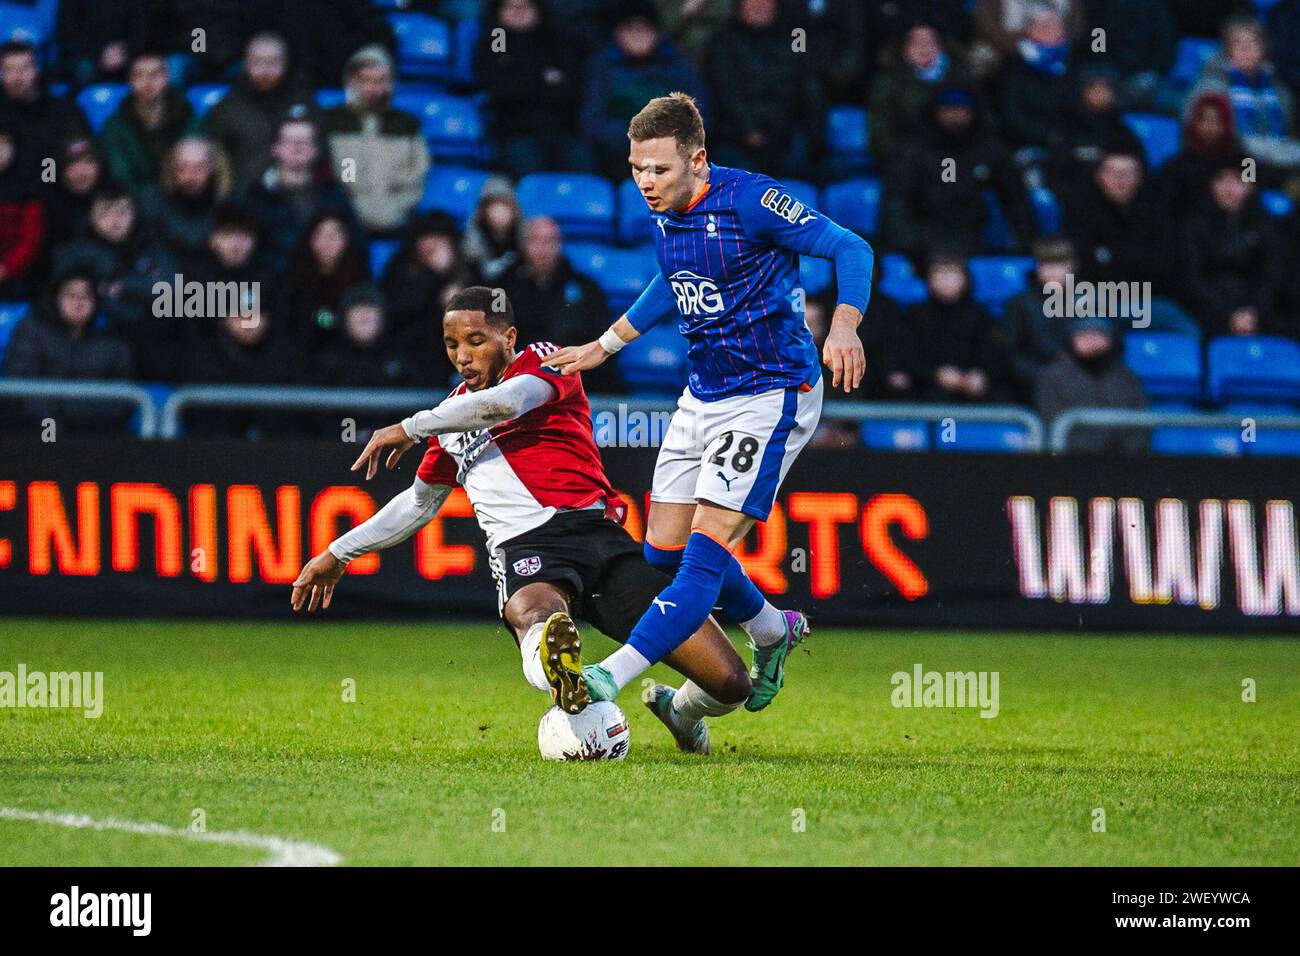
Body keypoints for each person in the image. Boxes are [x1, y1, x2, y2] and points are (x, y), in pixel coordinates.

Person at [293, 286, 758, 754]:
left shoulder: (545, 360)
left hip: (601, 540)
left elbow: (505, 404)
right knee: (536, 611)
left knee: (731, 682)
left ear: (509, 337)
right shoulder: (449, 420)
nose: (463, 357)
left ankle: (680, 712)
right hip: (527, 549)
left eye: (476, 341)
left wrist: (412, 426)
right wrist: (339, 552)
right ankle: (558, 667)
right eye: (452, 345)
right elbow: (418, 504)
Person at [542, 92, 872, 710]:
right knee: (661, 556)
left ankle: (610, 675)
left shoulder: (753, 201)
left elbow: (851, 247)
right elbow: (676, 277)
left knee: (700, 560)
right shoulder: (667, 208)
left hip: (772, 394)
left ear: (698, 159)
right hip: (703, 394)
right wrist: (605, 345)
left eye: (659, 169)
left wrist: (846, 324)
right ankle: (774, 630)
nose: (645, 183)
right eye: (637, 168)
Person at [581, 3, 706, 178]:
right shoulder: (602, 66)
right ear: (618, 33)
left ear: (657, 33)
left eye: (644, 29)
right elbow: (593, 119)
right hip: (619, 153)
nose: (638, 36)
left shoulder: (678, 65)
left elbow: (700, 115)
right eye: (630, 29)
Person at [703, 0, 825, 177]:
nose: (760, 5)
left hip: (787, 137)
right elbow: (725, 92)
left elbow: (806, 84)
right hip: (735, 140)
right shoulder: (721, 41)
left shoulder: (796, 36)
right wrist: (749, 130)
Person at [1, 270, 133, 432]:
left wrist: (72, 415)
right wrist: (57, 424)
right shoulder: (31, 331)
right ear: (56, 298)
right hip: (36, 434)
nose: (78, 302)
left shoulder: (111, 341)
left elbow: (122, 398)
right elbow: (20, 391)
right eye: (70, 295)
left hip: (92, 437)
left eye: (86, 296)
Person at [319, 45, 429, 234]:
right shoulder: (334, 121)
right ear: (351, 82)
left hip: (398, 220)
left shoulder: (406, 124)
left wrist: (397, 208)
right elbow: (342, 177)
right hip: (345, 224)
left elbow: (418, 173)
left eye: (380, 81)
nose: (373, 88)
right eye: (365, 80)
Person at [475, 0, 591, 177]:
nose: (518, 11)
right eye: (510, 6)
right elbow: (499, 90)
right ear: (499, 11)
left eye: (525, 6)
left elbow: (572, 91)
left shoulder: (557, 41)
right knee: (530, 172)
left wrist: (519, 78)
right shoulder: (498, 38)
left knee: (584, 170)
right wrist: (543, 79)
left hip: (562, 131)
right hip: (516, 133)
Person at [1180, 155, 1286, 337]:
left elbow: (1271, 275)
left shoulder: (1265, 224)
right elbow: (1193, 279)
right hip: (1208, 311)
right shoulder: (1194, 223)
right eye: (1221, 179)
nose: (1229, 189)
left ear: (1251, 186)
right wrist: (1229, 314)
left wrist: (1254, 312)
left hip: (1258, 310)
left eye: (1238, 180)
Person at [497, 216, 614, 379]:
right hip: (518, 381)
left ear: (560, 245)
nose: (543, 249)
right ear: (522, 245)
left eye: (550, 241)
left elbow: (602, 343)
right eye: (535, 240)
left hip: (578, 381)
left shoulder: (587, 289)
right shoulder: (504, 288)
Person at [244, 114, 360, 273]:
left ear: (315, 150)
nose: (297, 147)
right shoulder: (255, 198)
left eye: (305, 141)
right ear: (275, 148)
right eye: (290, 141)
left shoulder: (335, 195)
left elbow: (356, 245)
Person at [204, 32, 315, 193]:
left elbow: (322, 154)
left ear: (285, 63)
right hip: (244, 200)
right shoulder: (226, 108)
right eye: (258, 62)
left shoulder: (305, 102)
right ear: (246, 64)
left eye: (272, 62)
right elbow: (216, 159)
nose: (265, 70)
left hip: (301, 199)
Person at [904, 253, 1009, 403]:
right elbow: (907, 357)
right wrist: (935, 374)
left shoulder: (981, 316)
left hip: (975, 390)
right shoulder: (914, 316)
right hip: (928, 389)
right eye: (939, 274)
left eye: (951, 274)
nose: (945, 280)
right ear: (929, 280)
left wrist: (980, 375)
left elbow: (996, 355)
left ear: (965, 279)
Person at [1036, 316, 1148, 454]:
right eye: (1084, 334)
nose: (1092, 341)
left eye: (1098, 334)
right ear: (1071, 339)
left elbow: (1140, 425)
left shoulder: (1126, 377)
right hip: (1071, 461)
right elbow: (1051, 422)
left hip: (1122, 462)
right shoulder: (1053, 377)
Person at [99, 50, 199, 193]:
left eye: (154, 74)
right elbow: (122, 177)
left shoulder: (187, 116)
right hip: (138, 204)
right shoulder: (115, 125)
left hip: (184, 197)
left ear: (166, 78)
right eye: (139, 75)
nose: (147, 82)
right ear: (130, 81)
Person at [278, 211, 371, 352]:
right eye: (319, 235)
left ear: (346, 240)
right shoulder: (295, 276)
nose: (326, 242)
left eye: (333, 236)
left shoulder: (360, 276)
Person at [136, 137, 234, 271]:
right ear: (172, 169)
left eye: (199, 167)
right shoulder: (153, 199)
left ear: (214, 168)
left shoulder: (230, 204)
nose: (190, 176)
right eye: (183, 167)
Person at [0, 40, 89, 165]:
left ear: (37, 70)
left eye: (24, 68)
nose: (17, 77)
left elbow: (79, 155)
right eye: (10, 69)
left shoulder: (62, 112)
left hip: (50, 179)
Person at [0, 120, 44, 301]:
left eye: (4, 144)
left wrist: (6, 268)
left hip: (19, 277)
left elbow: (31, 237)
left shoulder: (29, 187)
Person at [460, 180, 522, 282]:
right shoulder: (472, 242)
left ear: (514, 209)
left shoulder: (523, 239)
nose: (499, 212)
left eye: (504, 205)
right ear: (483, 210)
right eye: (493, 205)